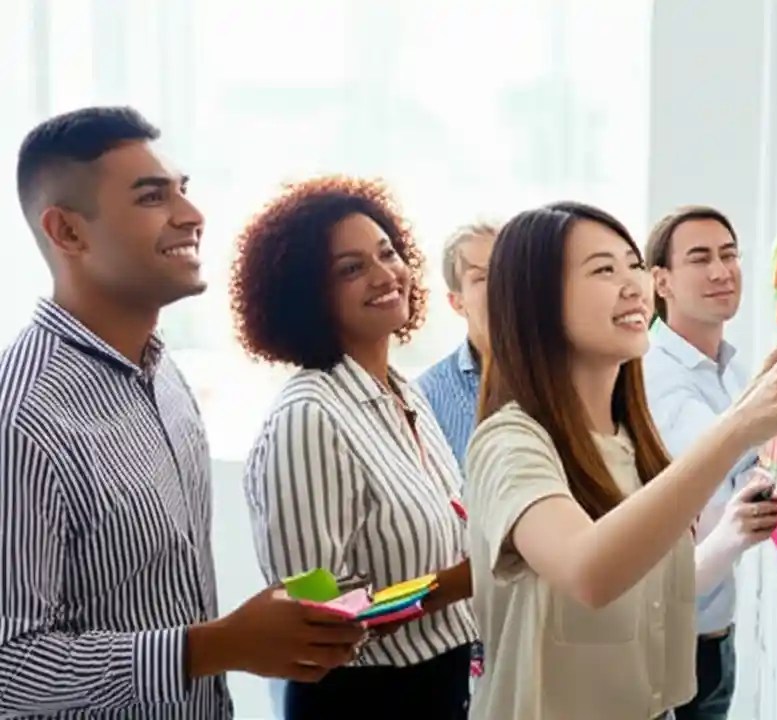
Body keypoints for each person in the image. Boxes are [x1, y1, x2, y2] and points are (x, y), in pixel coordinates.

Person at [0, 106, 365, 718]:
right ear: (67, 233)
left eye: (184, 191)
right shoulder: (23, 418)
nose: (192, 216)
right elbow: (10, 664)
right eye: (151, 197)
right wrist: (213, 646)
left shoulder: (164, 376)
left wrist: (248, 634)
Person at [464, 201, 777, 720]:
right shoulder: (510, 442)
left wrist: (752, 410)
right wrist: (743, 422)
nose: (633, 285)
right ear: (538, 301)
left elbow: (654, 586)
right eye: (604, 269)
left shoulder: (630, 438)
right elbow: (589, 573)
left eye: (632, 265)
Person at [231, 175, 479, 719]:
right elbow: (317, 609)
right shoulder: (310, 417)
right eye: (350, 268)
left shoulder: (401, 393)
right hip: (365, 703)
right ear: (306, 296)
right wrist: (457, 582)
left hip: (440, 687)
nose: (384, 274)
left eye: (386, 253)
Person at [643, 205, 777, 720]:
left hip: (716, 630)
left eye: (729, 254)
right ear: (661, 281)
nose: (721, 271)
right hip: (669, 641)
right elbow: (709, 452)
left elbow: (739, 456)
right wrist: (766, 402)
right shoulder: (655, 372)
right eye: (700, 258)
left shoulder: (730, 369)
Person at [416, 220, 499, 468]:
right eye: (482, 278)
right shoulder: (425, 399)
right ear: (457, 303)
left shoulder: (572, 373)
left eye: (510, 270)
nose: (501, 285)